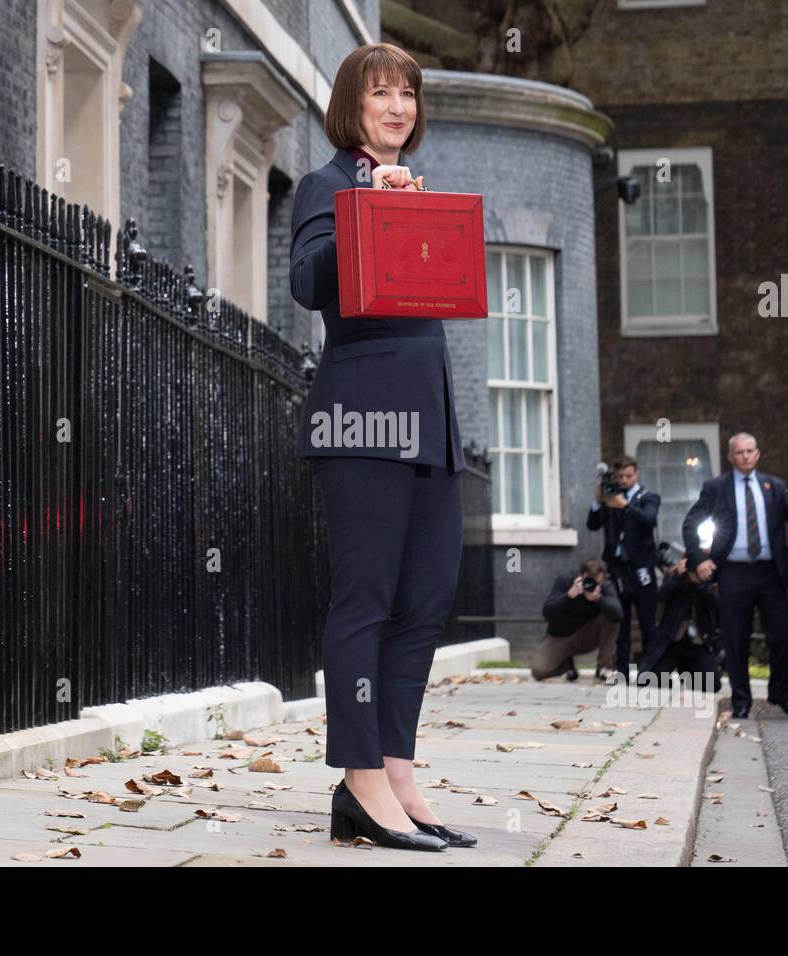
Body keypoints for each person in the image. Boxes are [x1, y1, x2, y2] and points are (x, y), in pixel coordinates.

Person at [290, 42, 472, 852]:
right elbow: (307, 281)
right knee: (363, 601)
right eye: (379, 93)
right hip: (362, 423)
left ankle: (397, 771)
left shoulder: (422, 194)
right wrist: (370, 203)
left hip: (430, 426)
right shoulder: (328, 186)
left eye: (407, 92)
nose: (396, 106)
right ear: (351, 107)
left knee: (426, 600)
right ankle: (359, 778)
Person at [681, 433, 788, 718]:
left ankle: (782, 696)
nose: (746, 456)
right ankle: (741, 702)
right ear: (730, 457)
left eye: (750, 451)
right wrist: (699, 560)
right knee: (736, 638)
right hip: (733, 572)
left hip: (770, 572)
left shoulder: (774, 486)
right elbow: (691, 523)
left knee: (784, 634)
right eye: (740, 452)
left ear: (758, 454)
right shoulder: (716, 488)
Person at [586, 455, 660, 683]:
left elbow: (650, 520)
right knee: (621, 621)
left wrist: (626, 505)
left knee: (647, 620)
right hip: (617, 568)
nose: (624, 480)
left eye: (629, 476)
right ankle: (622, 672)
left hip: (641, 567)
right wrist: (599, 501)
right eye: (620, 477)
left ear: (636, 474)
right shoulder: (611, 499)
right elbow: (592, 524)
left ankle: (649, 672)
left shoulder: (648, 497)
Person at [636, 556, 722, 694]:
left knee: (712, 685)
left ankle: (688, 675)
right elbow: (662, 596)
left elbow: (715, 604)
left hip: (696, 645)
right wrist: (677, 576)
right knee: (649, 682)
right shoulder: (675, 578)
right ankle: (668, 677)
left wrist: (701, 583)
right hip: (671, 642)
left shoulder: (707, 582)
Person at [532, 559, 623, 682]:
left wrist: (599, 599)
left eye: (597, 582)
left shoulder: (605, 586)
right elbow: (547, 612)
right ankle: (566, 666)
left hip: (587, 635)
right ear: (580, 576)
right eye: (589, 580)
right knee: (539, 671)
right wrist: (569, 595)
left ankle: (605, 668)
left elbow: (619, 614)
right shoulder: (566, 580)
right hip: (560, 637)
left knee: (612, 616)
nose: (592, 585)